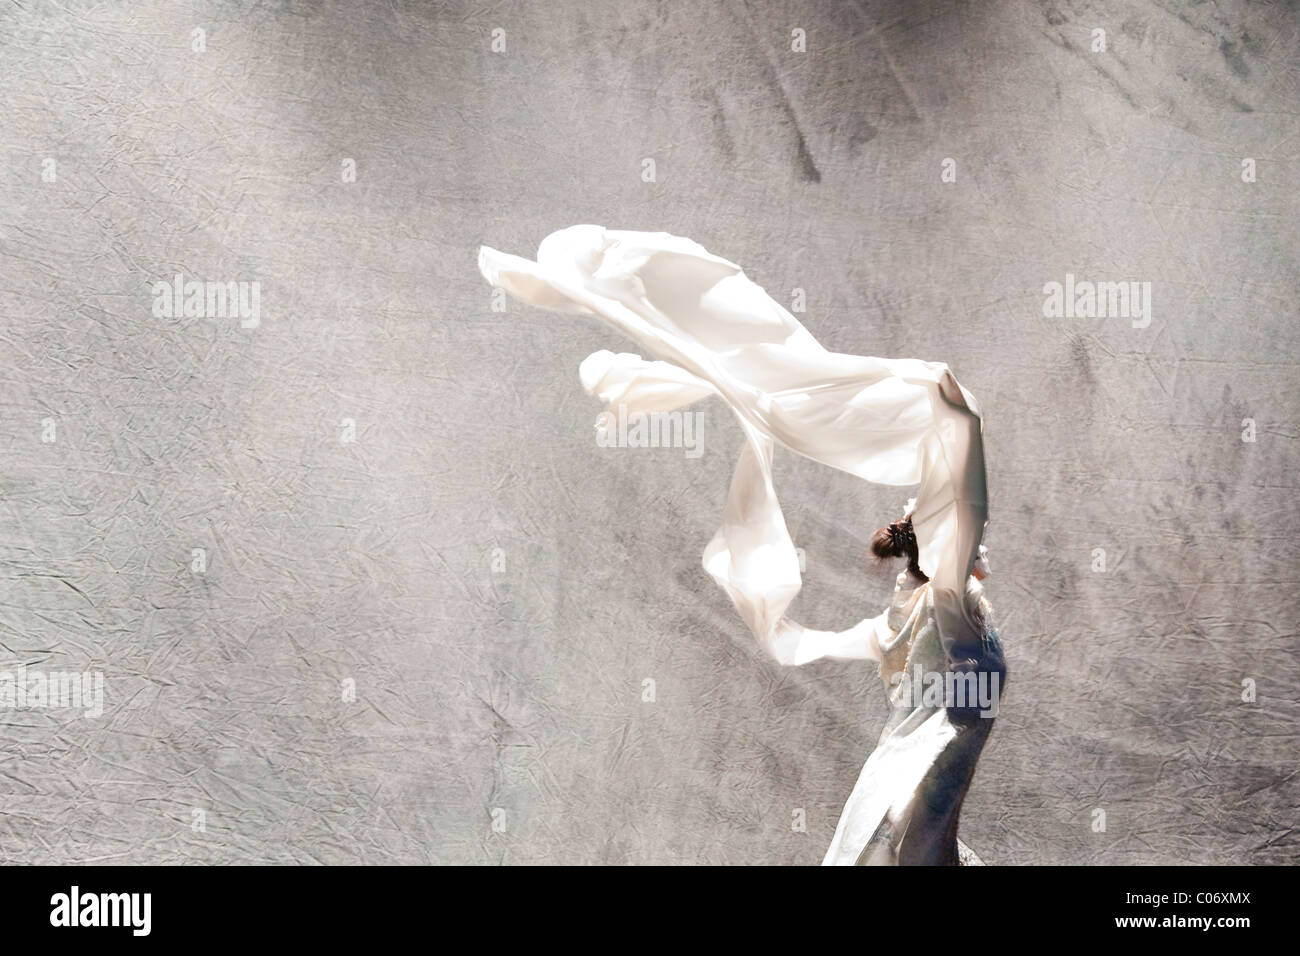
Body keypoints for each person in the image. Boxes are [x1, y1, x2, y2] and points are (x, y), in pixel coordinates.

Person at [477, 225, 1004, 864]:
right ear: (950, 546)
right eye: (960, 530)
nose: (974, 535)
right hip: (913, 797)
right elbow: (966, 505)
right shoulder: (951, 605)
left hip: (910, 794)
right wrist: (962, 422)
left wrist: (782, 631)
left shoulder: (906, 621)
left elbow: (823, 641)